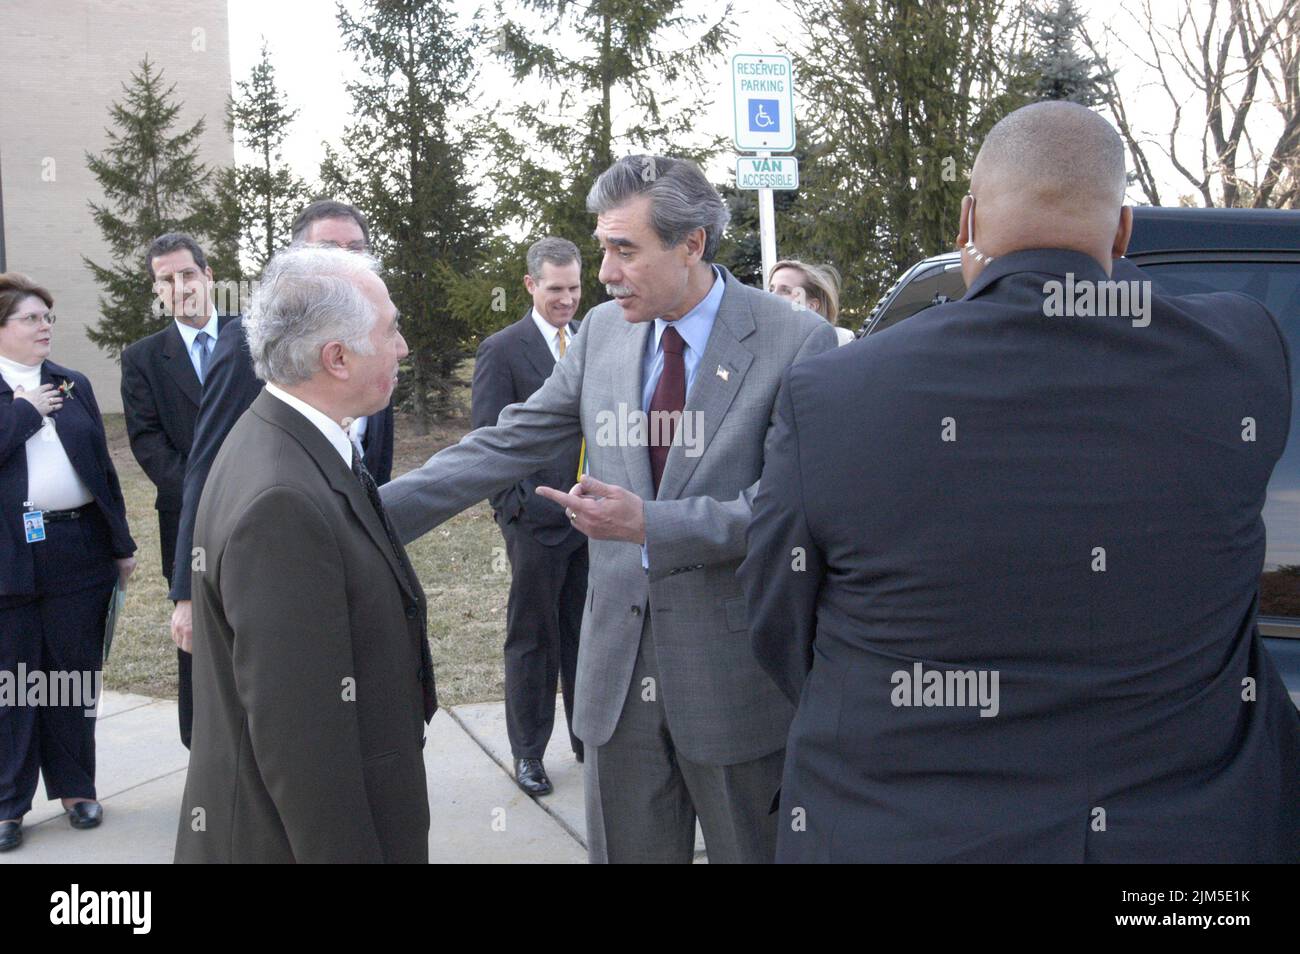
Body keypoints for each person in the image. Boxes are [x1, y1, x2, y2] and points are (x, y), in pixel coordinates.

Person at [739, 100, 1300, 863]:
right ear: (1126, 231)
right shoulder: (1244, 354)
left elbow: (779, 620)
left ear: (966, 220)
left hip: (904, 832)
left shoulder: (833, 395)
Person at [381, 155, 838, 863]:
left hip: (736, 684)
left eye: (626, 249)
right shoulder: (601, 333)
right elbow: (506, 442)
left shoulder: (792, 339)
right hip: (615, 686)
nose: (605, 272)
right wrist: (365, 516)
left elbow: (787, 510)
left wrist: (651, 524)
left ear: (692, 244)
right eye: (603, 248)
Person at [173, 246, 433, 863]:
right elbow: (303, 740)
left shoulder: (285, 435)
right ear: (336, 358)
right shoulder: (282, 501)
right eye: (390, 330)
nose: (401, 348)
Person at [168, 199, 392, 653]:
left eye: (358, 249)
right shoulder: (251, 338)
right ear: (296, 262)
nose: (348, 260)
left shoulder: (375, 335)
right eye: (331, 248)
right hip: (275, 567)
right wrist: (187, 592)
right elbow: (207, 465)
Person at [0, 273, 136, 853]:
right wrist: (25, 412)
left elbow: (103, 471)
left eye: (47, 317)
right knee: (15, 683)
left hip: (77, 549)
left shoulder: (73, 384)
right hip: (9, 555)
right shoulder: (18, 397)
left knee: (73, 674)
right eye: (31, 318)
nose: (44, 327)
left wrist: (122, 545)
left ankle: (77, 789)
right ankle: (8, 805)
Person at [472, 236, 587, 796]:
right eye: (555, 289)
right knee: (534, 640)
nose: (566, 299)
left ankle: (590, 742)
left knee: (588, 638)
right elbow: (487, 441)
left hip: (596, 524)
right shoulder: (503, 349)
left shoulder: (594, 341)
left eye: (574, 287)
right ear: (530, 285)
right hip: (535, 527)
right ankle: (529, 754)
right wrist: (512, 509)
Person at [120, 233, 236, 749]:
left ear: (209, 276)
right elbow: (147, 441)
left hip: (264, 508)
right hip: (187, 520)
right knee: (197, 636)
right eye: (166, 280)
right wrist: (202, 490)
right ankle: (204, 749)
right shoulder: (144, 359)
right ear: (157, 291)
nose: (179, 286)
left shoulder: (252, 338)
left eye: (187, 274)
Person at [768, 259, 853, 345]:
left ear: (812, 306)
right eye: (771, 289)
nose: (771, 295)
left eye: (785, 291)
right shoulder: (763, 342)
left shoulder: (839, 344)